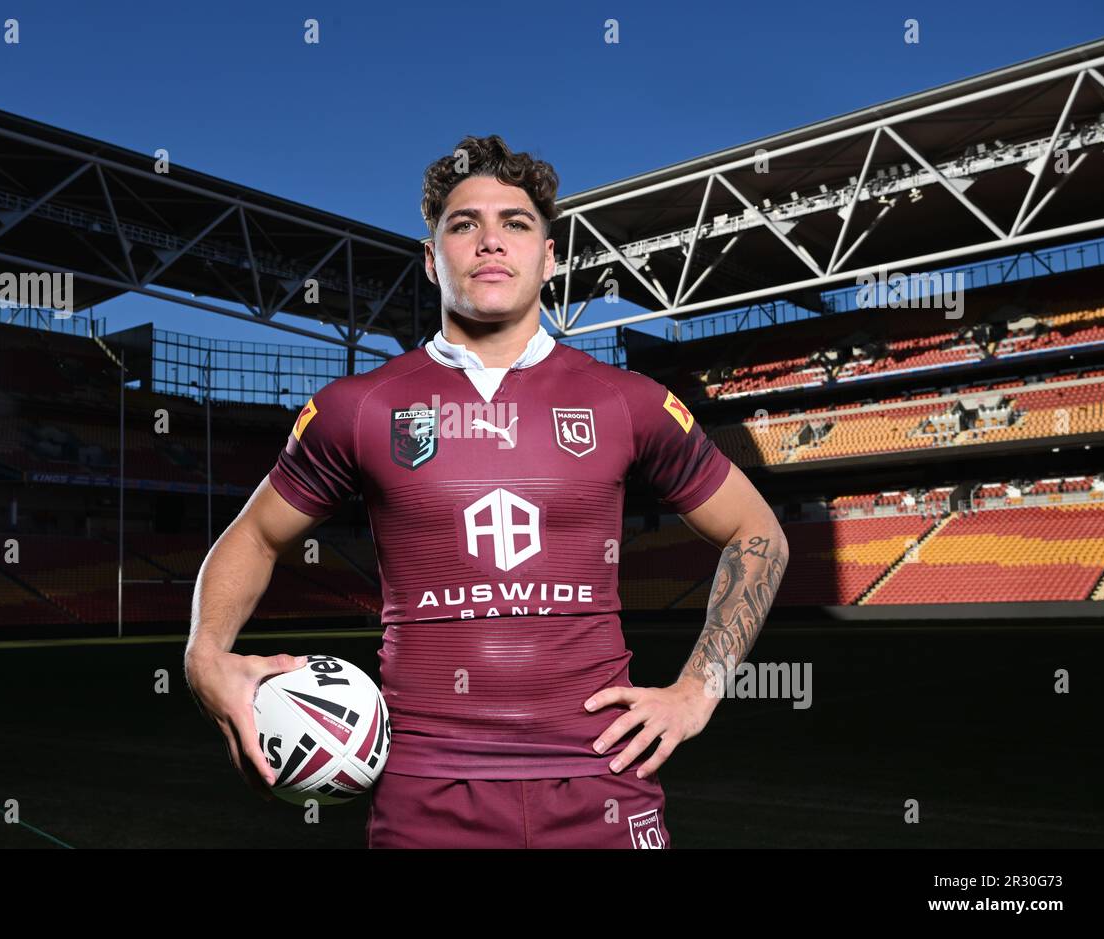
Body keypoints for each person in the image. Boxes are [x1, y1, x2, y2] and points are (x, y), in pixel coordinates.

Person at [185, 134, 788, 848]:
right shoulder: (359, 407)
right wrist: (204, 654)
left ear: (550, 257)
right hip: (425, 792)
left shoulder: (628, 401)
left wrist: (699, 690)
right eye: (464, 224)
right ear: (430, 257)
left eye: (516, 223)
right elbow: (256, 536)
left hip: (603, 777)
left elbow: (758, 532)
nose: (491, 241)